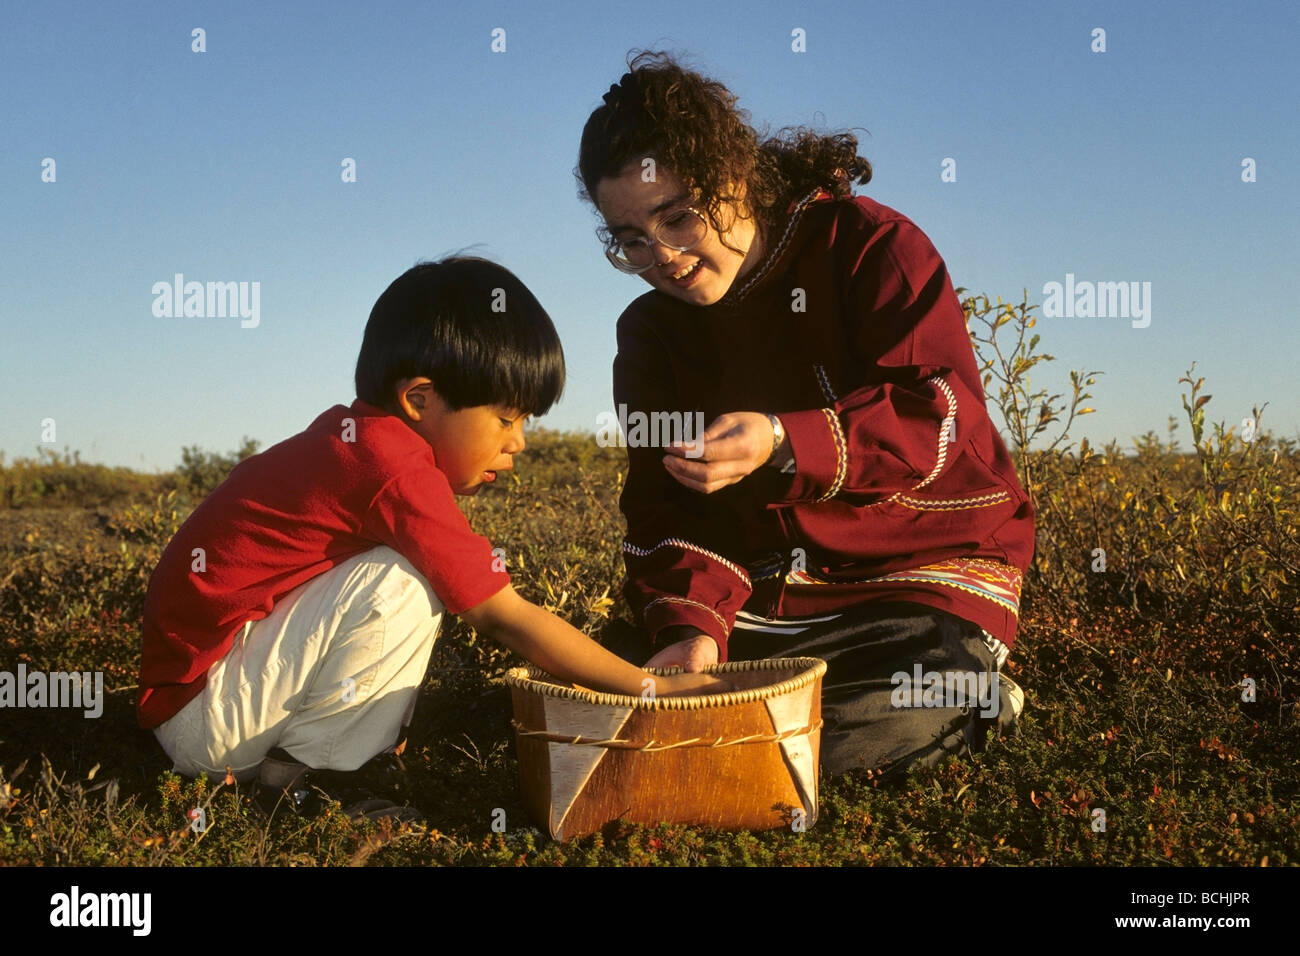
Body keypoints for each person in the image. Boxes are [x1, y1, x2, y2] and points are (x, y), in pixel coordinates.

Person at [577, 52, 1036, 778]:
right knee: (601, 700)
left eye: (679, 218)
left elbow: (936, 418)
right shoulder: (651, 334)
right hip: (763, 596)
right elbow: (665, 510)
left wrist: (785, 438)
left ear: (734, 176)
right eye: (631, 240)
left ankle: (976, 690)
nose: (661, 255)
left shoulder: (870, 248)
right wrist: (694, 628)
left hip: (916, 577)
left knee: (850, 732)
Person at [137, 256, 724, 819]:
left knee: (399, 568)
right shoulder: (391, 467)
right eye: (506, 418)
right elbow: (503, 616)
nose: (518, 441)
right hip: (206, 720)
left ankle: (312, 758)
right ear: (419, 399)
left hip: (205, 700)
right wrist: (648, 689)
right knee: (402, 579)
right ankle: (324, 778)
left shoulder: (357, 443)